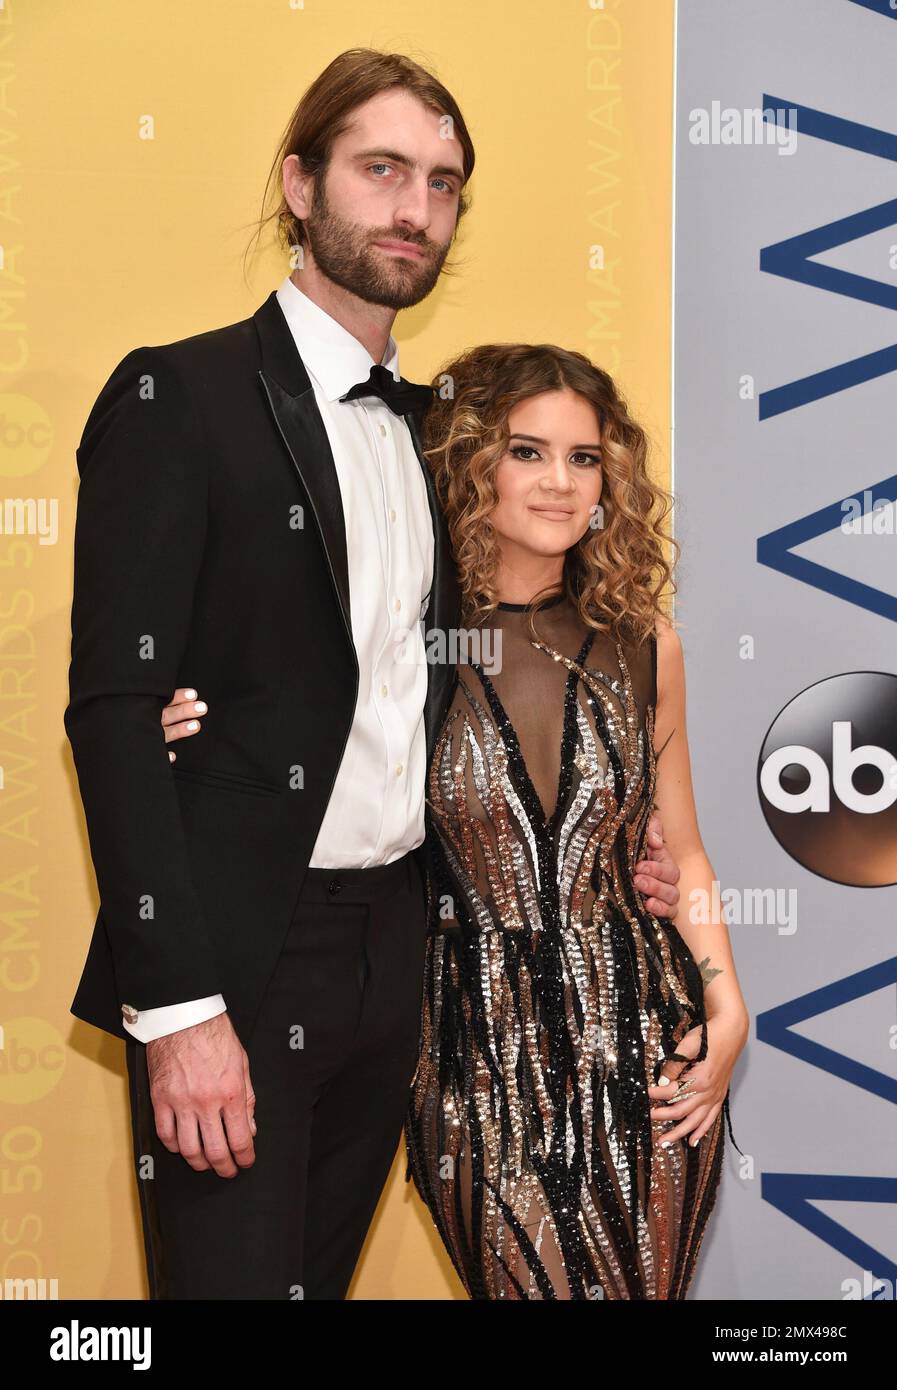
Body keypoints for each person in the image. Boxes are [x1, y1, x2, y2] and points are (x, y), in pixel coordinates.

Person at [64, 47, 687, 1300]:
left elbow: (485, 672)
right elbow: (115, 710)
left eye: (442, 184)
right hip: (237, 953)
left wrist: (621, 835)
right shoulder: (178, 394)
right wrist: (177, 1010)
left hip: (405, 962)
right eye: (382, 170)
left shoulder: (442, 434)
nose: (414, 209)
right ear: (300, 184)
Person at [163, 347, 749, 1300]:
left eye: (585, 458)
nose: (561, 482)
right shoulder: (399, 645)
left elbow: (679, 853)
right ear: (472, 464)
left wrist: (725, 1008)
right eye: (528, 452)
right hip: (473, 1053)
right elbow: (279, 762)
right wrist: (173, 722)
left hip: (646, 1044)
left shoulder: (647, 646)